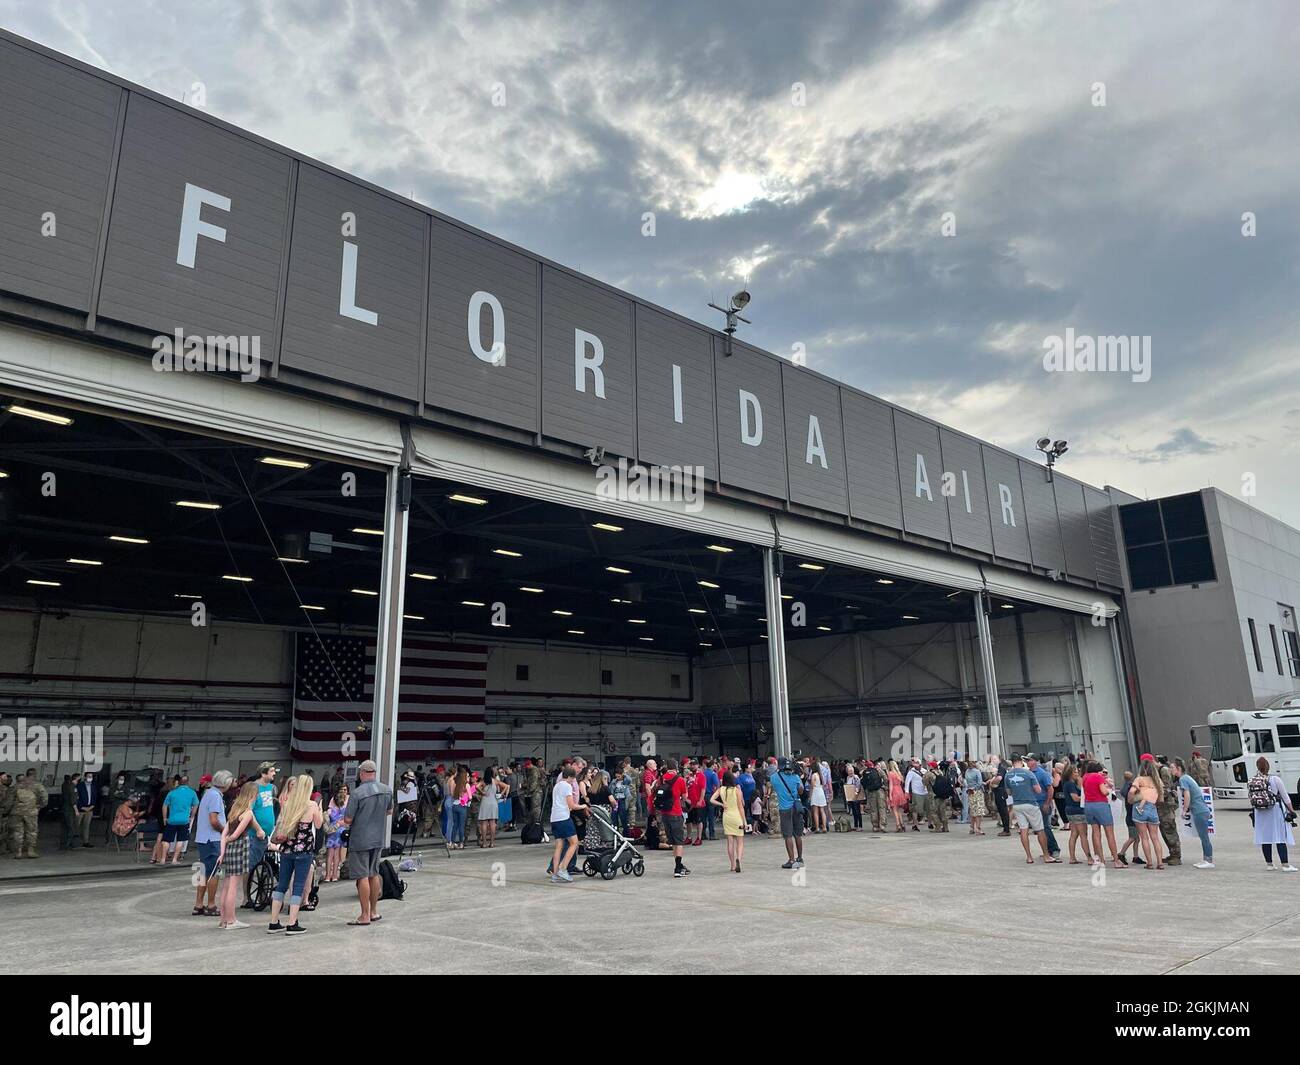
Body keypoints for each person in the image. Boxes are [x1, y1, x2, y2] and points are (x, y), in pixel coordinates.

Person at [266, 774, 322, 936]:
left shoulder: (288, 803)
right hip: (304, 850)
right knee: (298, 886)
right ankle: (292, 922)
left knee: (282, 884)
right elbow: (318, 824)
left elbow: (282, 824)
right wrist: (318, 808)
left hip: (287, 849)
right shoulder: (311, 805)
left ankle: (274, 921)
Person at [343, 759, 394, 925]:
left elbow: (348, 819)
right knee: (374, 874)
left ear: (362, 773)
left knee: (362, 876)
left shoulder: (357, 793)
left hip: (360, 839)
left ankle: (364, 915)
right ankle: (373, 912)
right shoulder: (387, 790)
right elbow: (390, 811)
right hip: (377, 838)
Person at [217, 782, 260, 930]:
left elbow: (225, 834)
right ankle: (231, 920)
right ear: (252, 795)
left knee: (226, 885)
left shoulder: (234, 810)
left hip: (228, 850)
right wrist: (230, 839)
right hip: (240, 847)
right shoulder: (248, 813)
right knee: (233, 887)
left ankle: (223, 919)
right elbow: (235, 835)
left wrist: (222, 852)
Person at [1004, 755, 1056, 864]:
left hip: (1017, 804)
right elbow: (1038, 790)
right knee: (1040, 830)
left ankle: (1029, 857)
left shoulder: (1008, 775)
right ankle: (1046, 855)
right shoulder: (1029, 773)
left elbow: (1008, 792)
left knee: (1023, 830)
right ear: (1021, 761)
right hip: (1031, 803)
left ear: (1012, 762)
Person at [193, 769, 231, 917]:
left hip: (203, 838)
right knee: (214, 872)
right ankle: (211, 904)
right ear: (225, 783)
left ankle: (198, 904)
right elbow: (214, 820)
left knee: (203, 871)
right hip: (212, 838)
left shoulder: (208, 793)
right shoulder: (215, 796)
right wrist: (224, 831)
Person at [1249, 756, 1296, 871]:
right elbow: (1285, 797)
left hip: (1260, 811)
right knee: (1279, 836)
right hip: (1274, 810)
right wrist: (1292, 810)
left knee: (1265, 838)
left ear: (1257, 767)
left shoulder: (1252, 780)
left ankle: (1269, 864)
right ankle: (1285, 864)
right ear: (1268, 766)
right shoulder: (1275, 779)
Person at [244, 762, 278, 909]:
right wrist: (257, 828)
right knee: (250, 866)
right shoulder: (254, 788)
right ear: (263, 773)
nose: (274, 773)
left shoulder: (271, 788)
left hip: (268, 833)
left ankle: (264, 894)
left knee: (265, 865)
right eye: (271, 771)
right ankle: (246, 897)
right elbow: (248, 811)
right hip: (255, 834)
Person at [547, 764, 587, 883]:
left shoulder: (557, 785)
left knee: (559, 846)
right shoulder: (567, 786)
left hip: (554, 819)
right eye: (573, 778)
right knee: (574, 843)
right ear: (570, 777)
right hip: (564, 818)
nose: (573, 781)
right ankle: (563, 868)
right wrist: (583, 806)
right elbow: (572, 805)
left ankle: (555, 874)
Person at [1171, 757, 1213, 869]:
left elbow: (1187, 795)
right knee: (1203, 836)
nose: (1171, 770)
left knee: (1204, 837)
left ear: (1178, 768)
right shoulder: (1187, 778)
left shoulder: (1183, 779)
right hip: (1202, 810)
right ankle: (1206, 859)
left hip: (1199, 811)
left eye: (1172, 768)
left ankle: (1208, 860)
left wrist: (1184, 810)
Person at [1081, 760, 1122, 868]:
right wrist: (1108, 790)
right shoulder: (1097, 777)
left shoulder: (1084, 777)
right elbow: (1104, 791)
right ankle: (1116, 860)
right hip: (1100, 804)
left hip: (1089, 805)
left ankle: (1100, 859)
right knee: (1109, 833)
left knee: (1096, 833)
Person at [1128, 758, 1165, 870]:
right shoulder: (1157, 781)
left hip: (1140, 807)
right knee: (1155, 837)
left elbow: (1131, 792)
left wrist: (1131, 800)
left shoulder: (1139, 779)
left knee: (1144, 837)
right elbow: (1160, 797)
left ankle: (1149, 863)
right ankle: (1160, 862)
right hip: (1152, 808)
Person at [769, 758, 806, 869]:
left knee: (788, 835)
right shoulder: (795, 777)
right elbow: (801, 790)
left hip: (784, 809)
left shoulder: (774, 777)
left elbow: (774, 787)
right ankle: (800, 858)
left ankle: (791, 860)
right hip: (796, 807)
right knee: (798, 835)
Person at [154, 774, 198, 865]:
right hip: (184, 820)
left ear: (179, 782)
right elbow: (196, 805)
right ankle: (174, 860)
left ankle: (163, 859)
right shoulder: (192, 792)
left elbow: (164, 805)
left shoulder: (172, 792)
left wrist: (165, 817)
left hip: (172, 819)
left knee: (166, 840)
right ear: (187, 782)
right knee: (180, 840)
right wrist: (192, 816)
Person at [709, 770, 747, 872]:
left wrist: (721, 804)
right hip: (737, 817)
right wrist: (745, 821)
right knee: (740, 841)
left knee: (730, 842)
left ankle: (732, 865)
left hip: (727, 816)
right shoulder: (737, 790)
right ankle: (738, 858)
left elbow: (711, 799)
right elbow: (741, 807)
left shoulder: (721, 789)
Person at [1025, 756, 1059, 859]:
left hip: (1042, 802)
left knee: (1046, 827)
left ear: (1035, 761)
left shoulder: (1042, 773)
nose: (1027, 762)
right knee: (1040, 828)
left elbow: (1050, 789)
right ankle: (1047, 850)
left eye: (1030, 760)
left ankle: (1054, 849)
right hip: (1034, 803)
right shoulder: (1028, 773)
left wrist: (1047, 803)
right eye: (1027, 760)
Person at [1058, 762, 1090, 864]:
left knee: (1074, 834)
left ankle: (1072, 857)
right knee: (1083, 834)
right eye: (1075, 772)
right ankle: (1089, 857)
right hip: (1077, 810)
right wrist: (1085, 797)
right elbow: (1075, 798)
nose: (1077, 773)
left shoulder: (1066, 783)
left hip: (1069, 809)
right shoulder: (1071, 784)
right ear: (1070, 773)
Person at [11, 769, 47, 859]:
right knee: (32, 831)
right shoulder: (37, 785)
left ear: (27, 774)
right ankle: (30, 851)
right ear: (35, 774)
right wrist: (39, 806)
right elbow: (45, 798)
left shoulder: (17, 785)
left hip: (17, 812)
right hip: (31, 812)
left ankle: (18, 852)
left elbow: (10, 800)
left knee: (18, 831)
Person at [1156, 757, 1183, 867]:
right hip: (1162, 807)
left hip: (1166, 806)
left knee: (1170, 830)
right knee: (1164, 831)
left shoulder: (1164, 771)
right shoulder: (1159, 771)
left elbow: (1166, 789)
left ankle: (1176, 856)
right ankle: (1172, 854)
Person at [477, 766, 507, 849]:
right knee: (492, 823)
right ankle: (492, 843)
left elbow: (476, 786)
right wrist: (501, 794)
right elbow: (505, 786)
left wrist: (482, 792)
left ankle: (484, 843)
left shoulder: (483, 781)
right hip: (493, 802)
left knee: (484, 823)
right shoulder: (495, 781)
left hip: (485, 802)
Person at [325, 785, 349, 881]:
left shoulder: (330, 810)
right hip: (340, 831)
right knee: (337, 855)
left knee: (330, 855)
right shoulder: (343, 811)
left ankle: (327, 875)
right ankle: (334, 875)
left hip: (332, 832)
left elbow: (329, 817)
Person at [74, 771, 98, 848]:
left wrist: (91, 806)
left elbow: (95, 797)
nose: (90, 778)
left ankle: (86, 841)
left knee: (86, 826)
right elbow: (77, 798)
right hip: (81, 809)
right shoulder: (79, 786)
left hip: (90, 809)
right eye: (88, 776)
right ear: (85, 777)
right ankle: (72, 841)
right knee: (76, 825)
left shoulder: (93, 786)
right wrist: (81, 807)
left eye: (91, 777)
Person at [964, 760, 987, 835]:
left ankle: (972, 827)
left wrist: (971, 787)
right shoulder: (977, 771)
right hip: (977, 792)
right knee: (979, 811)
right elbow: (979, 783)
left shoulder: (967, 771)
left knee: (972, 810)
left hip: (970, 792)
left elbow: (967, 782)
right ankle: (978, 828)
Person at [904, 760, 927, 831]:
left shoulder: (924, 771)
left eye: (918, 765)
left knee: (925, 808)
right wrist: (906, 792)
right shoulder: (911, 772)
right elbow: (907, 782)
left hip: (925, 792)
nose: (917, 766)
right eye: (915, 765)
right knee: (915, 809)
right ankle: (915, 824)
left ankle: (924, 820)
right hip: (916, 792)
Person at [886, 759, 907, 832]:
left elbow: (891, 785)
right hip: (900, 790)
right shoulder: (899, 774)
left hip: (894, 791)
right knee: (899, 810)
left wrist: (890, 795)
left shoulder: (890, 773)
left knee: (894, 810)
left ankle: (898, 825)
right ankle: (902, 824)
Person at [808, 761, 829, 832]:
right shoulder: (820, 775)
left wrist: (810, 796)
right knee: (822, 810)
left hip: (816, 792)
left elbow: (812, 786)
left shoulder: (813, 775)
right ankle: (824, 827)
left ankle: (817, 828)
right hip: (821, 791)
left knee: (815, 811)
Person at [843, 763, 863, 831]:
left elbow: (858, 786)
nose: (851, 772)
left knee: (857, 811)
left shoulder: (855, 777)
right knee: (854, 811)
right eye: (849, 771)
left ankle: (860, 826)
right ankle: (855, 825)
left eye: (852, 771)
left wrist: (856, 794)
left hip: (855, 796)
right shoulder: (848, 777)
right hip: (850, 796)